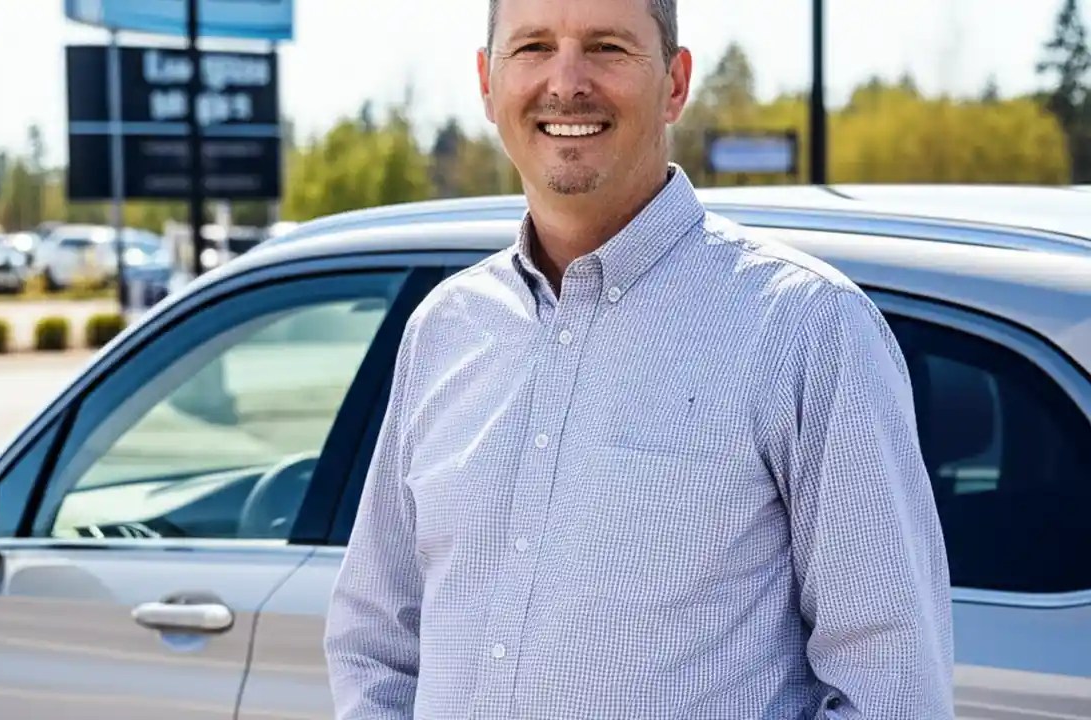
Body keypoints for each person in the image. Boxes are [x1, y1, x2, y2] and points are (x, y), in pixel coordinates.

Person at [324, 0, 956, 716]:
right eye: (532, 47)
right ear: (486, 82)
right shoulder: (444, 330)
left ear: (676, 83)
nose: (566, 82)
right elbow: (376, 643)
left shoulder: (806, 329)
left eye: (608, 48)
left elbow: (892, 690)